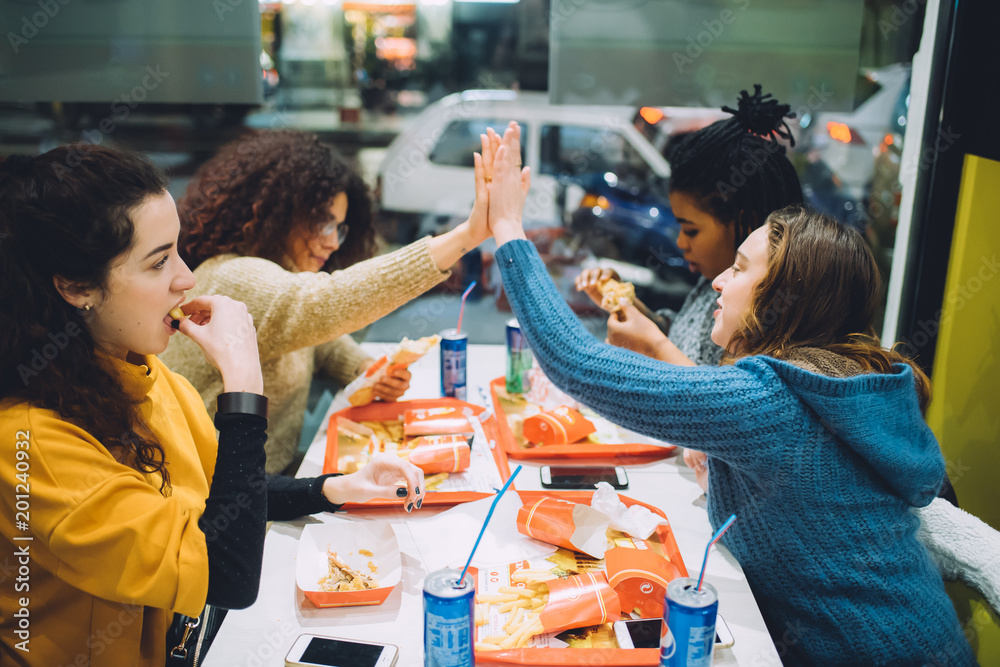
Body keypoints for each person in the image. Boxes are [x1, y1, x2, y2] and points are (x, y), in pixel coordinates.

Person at [484, 123, 974, 664]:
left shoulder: (772, 399)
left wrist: (508, 227)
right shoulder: (822, 381)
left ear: (780, 300)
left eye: (739, 270)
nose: (718, 281)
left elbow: (577, 363)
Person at [0, 147, 425, 666]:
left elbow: (212, 500)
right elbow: (226, 572)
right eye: (159, 261)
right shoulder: (30, 444)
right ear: (74, 286)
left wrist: (334, 488)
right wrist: (243, 382)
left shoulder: (144, 373)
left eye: (178, 251)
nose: (187, 279)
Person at [161, 129, 493, 474]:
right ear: (278, 212)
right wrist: (466, 236)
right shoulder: (238, 278)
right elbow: (324, 303)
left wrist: (364, 371)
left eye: (340, 228)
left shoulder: (275, 279)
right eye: (322, 223)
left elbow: (314, 341)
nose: (333, 242)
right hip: (222, 497)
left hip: (273, 480)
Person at [576, 85, 804, 367]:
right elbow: (682, 337)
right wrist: (627, 303)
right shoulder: (712, 282)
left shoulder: (761, 319)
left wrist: (652, 344)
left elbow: (710, 399)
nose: (681, 243)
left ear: (745, 222)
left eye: (692, 230)